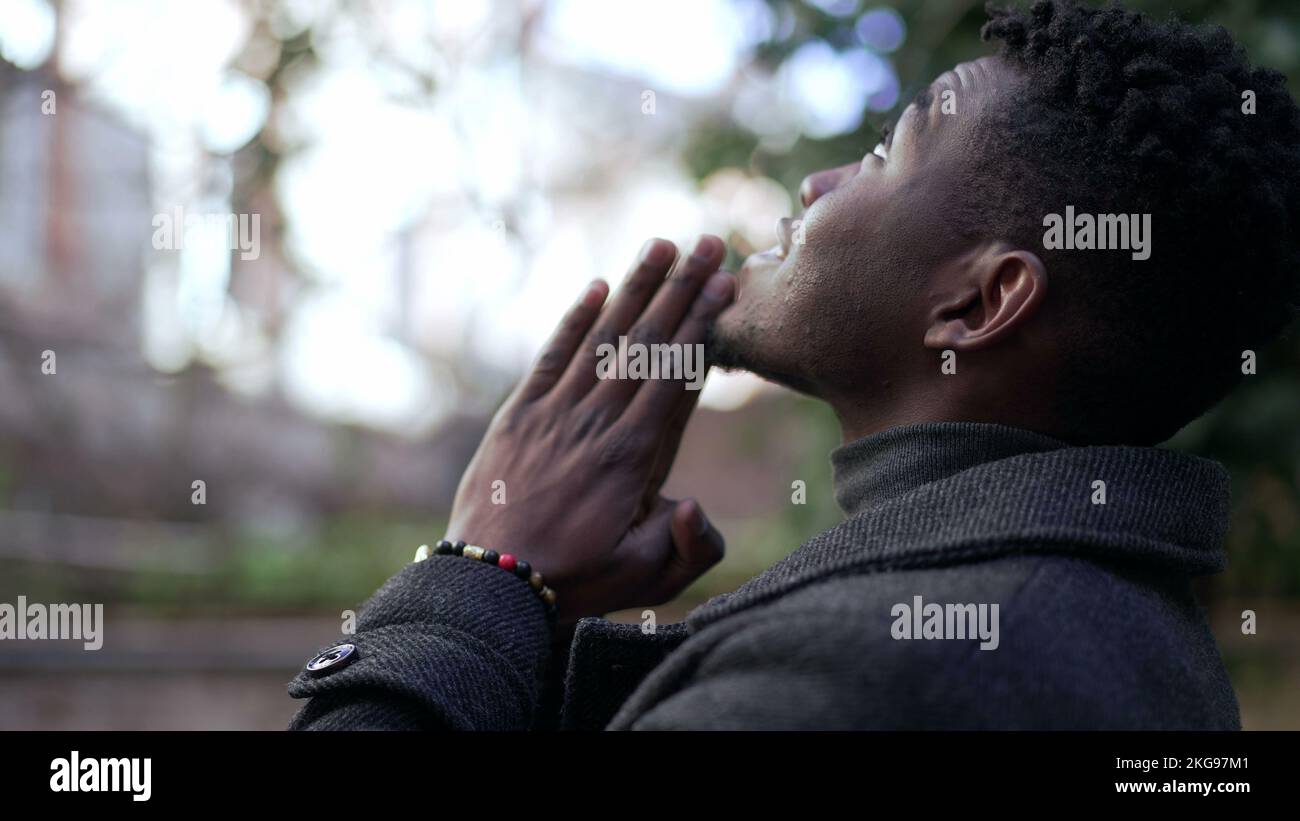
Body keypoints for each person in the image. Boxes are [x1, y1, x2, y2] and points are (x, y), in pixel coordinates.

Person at [287, 0, 1300, 729]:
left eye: (882, 156)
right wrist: (530, 628)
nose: (818, 181)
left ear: (978, 303)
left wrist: (474, 576)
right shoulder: (1080, 617)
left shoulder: (884, 671)